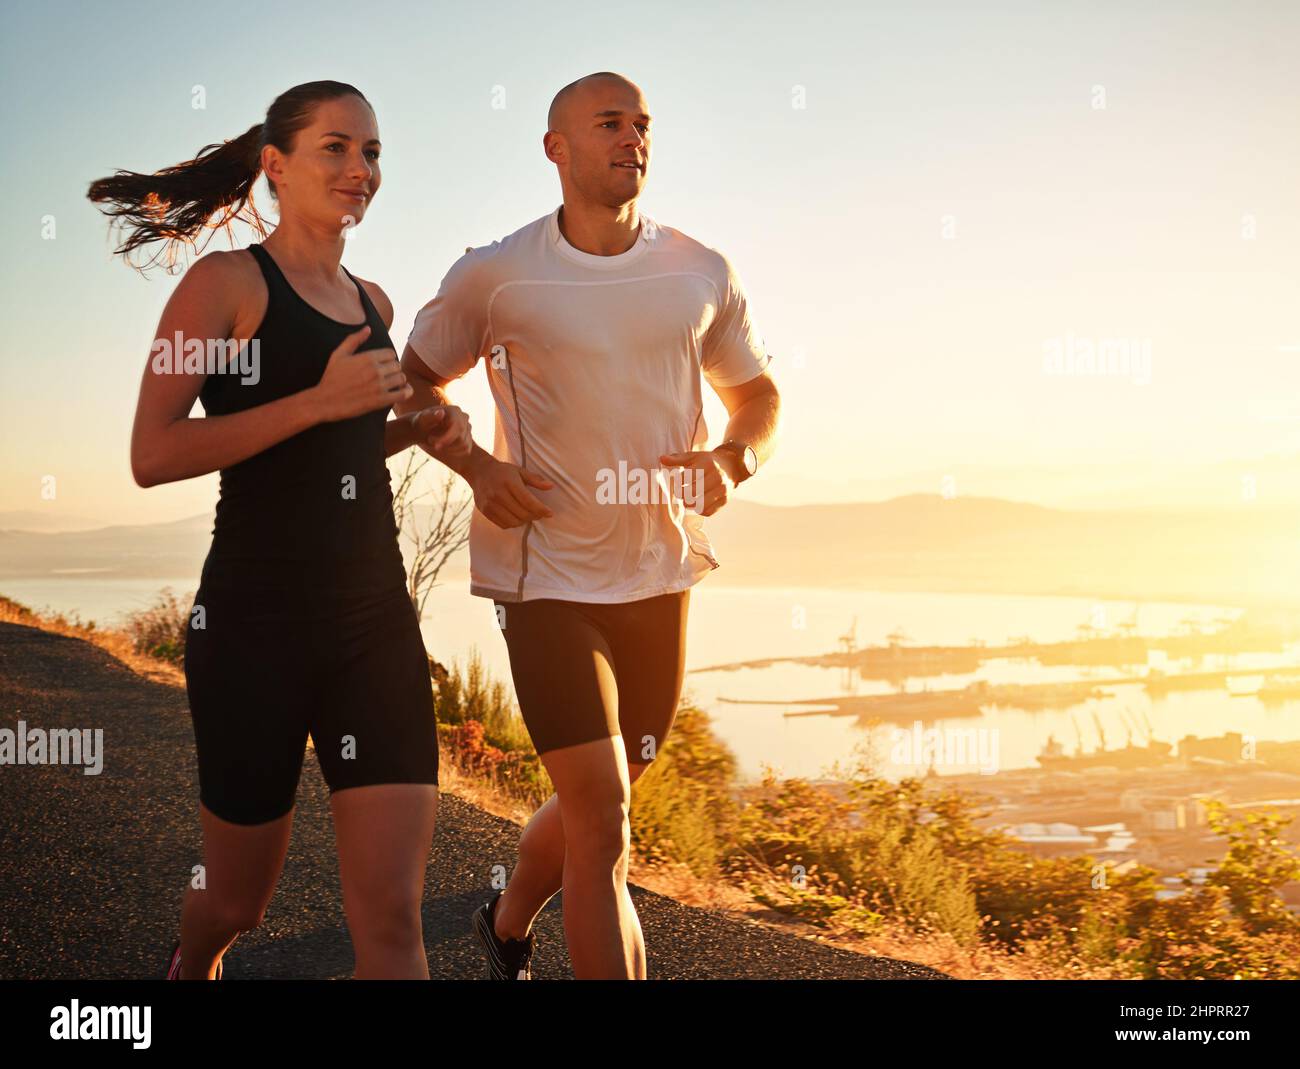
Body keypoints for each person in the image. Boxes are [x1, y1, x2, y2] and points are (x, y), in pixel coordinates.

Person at [397, 71, 781, 979]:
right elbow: (412, 380)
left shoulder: (700, 270)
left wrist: (733, 460)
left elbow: (758, 395)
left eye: (643, 124)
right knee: (606, 821)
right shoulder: (496, 274)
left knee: (591, 804)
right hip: (545, 577)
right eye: (610, 122)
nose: (634, 138)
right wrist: (476, 467)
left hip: (659, 575)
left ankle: (507, 916)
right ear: (556, 148)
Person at [88, 80, 472, 979]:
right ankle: (194, 960)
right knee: (238, 900)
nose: (360, 169)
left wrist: (413, 428)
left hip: (374, 623)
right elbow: (153, 452)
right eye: (336, 147)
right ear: (276, 165)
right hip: (253, 628)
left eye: (372, 152)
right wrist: (317, 401)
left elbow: (341, 445)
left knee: (390, 915)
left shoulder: (373, 299)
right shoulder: (222, 285)